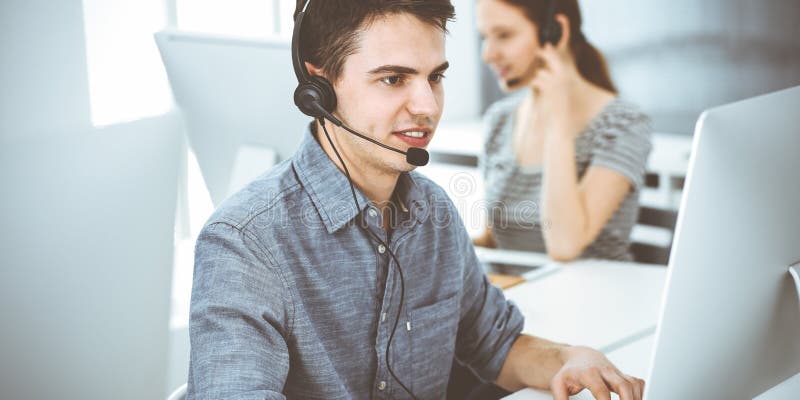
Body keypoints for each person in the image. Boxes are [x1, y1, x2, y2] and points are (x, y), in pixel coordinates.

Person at [188, 1, 645, 399]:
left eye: (435, 77)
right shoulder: (245, 243)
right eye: (393, 79)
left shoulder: (434, 214)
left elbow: (494, 343)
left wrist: (567, 358)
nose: (427, 105)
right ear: (319, 89)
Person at [473, 0, 653, 262]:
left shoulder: (623, 123)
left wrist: (558, 122)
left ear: (555, 30)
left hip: (591, 296)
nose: (487, 54)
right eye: (485, 37)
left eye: (504, 35)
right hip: (516, 296)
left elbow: (564, 246)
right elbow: (495, 240)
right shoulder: (499, 120)